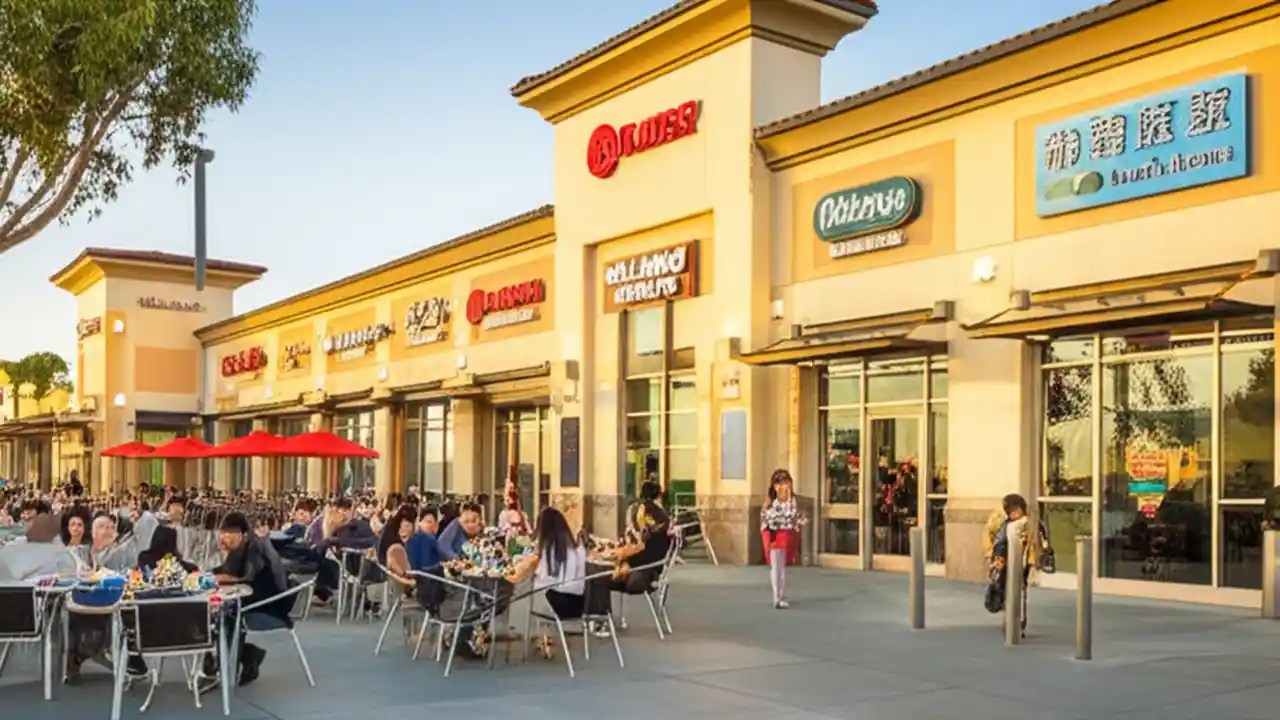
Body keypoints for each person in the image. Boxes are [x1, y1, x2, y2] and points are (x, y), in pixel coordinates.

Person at [213, 512, 291, 687]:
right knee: (218, 614)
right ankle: (236, 657)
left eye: (227, 533)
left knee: (226, 615)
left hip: (269, 604)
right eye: (222, 533)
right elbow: (228, 572)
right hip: (254, 598)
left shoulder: (256, 550)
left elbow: (246, 580)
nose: (223, 537)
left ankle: (230, 662)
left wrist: (216, 579)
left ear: (242, 534)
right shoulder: (240, 548)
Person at [507, 507, 587, 660]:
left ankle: (542, 636)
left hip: (558, 604)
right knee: (539, 588)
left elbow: (542, 577)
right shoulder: (578, 549)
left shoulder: (548, 551)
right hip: (579, 604)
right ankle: (545, 636)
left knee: (533, 588)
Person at [982, 493, 1048, 637]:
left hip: (1021, 561)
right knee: (1003, 588)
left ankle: (1018, 623)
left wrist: (1032, 562)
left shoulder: (1029, 522)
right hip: (1003, 560)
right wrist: (991, 556)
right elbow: (988, 535)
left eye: (1018, 511)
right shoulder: (998, 519)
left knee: (1020, 590)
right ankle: (1008, 616)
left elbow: (1035, 542)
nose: (1016, 514)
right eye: (1013, 512)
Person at [605, 481, 671, 595]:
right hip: (655, 560)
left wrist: (625, 555)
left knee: (612, 569)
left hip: (649, 563)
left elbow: (641, 543)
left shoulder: (644, 511)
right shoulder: (661, 515)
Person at [761, 468, 806, 609]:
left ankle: (780, 594)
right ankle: (777, 597)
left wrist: (798, 521)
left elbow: (796, 518)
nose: (783, 487)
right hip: (775, 536)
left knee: (782, 567)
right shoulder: (771, 503)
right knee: (776, 566)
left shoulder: (792, 501)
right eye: (779, 484)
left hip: (787, 536)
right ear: (774, 487)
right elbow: (766, 518)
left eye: (786, 483)